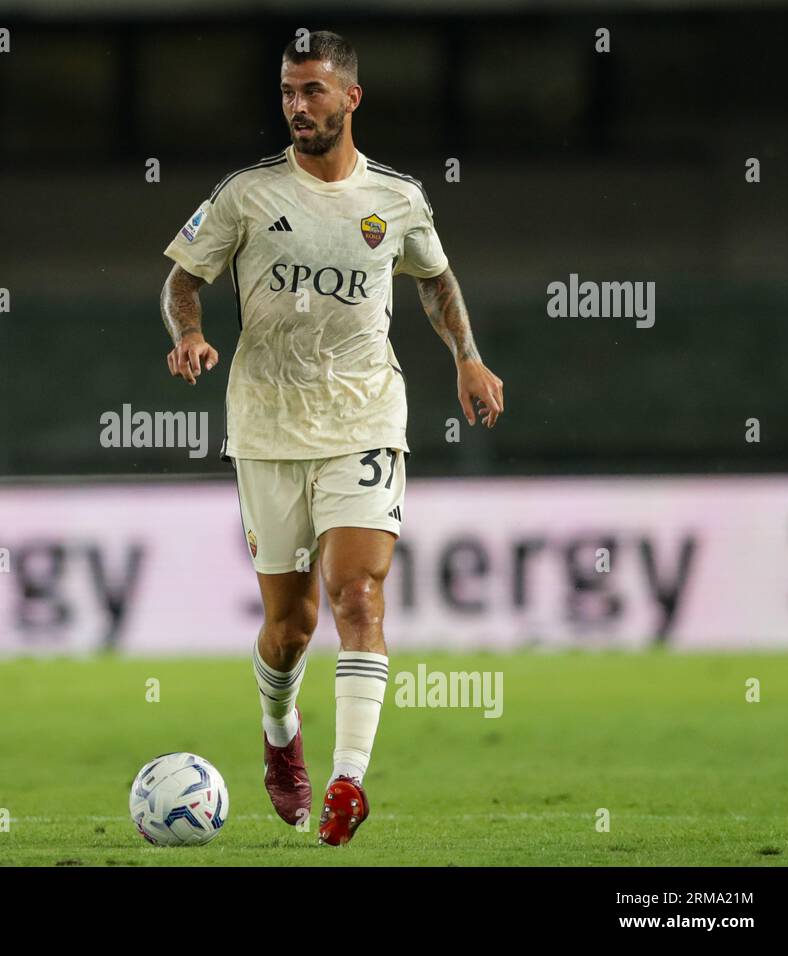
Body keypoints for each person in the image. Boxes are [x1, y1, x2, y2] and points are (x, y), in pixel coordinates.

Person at [158, 31, 505, 846]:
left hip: (365, 419)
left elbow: (435, 277)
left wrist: (469, 358)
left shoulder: (399, 197)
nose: (296, 107)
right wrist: (188, 335)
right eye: (287, 92)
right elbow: (180, 278)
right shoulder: (245, 194)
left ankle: (349, 782)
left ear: (351, 98)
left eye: (313, 91)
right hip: (268, 426)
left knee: (359, 595)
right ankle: (281, 739)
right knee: (290, 627)